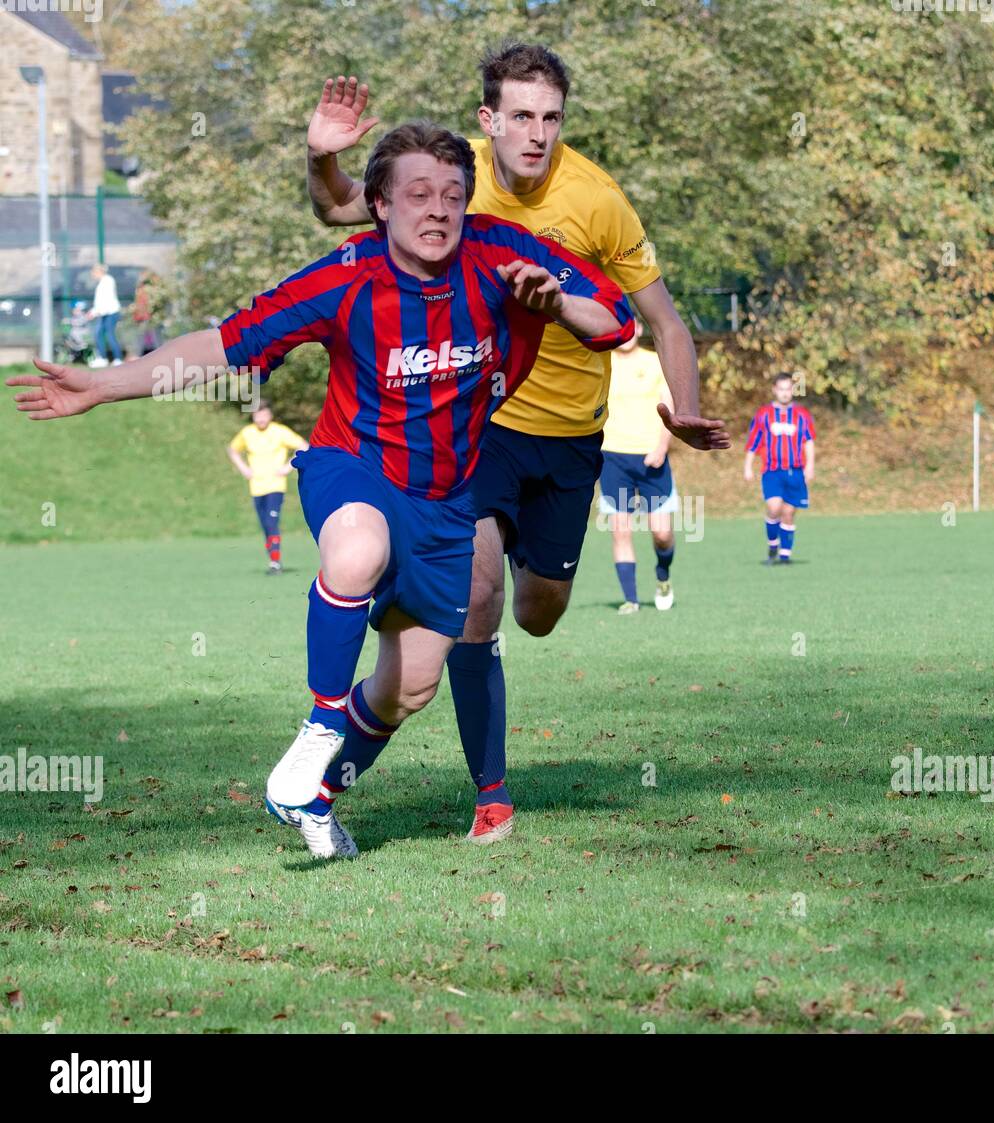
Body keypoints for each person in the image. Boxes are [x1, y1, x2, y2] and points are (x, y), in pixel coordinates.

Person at [8, 120, 634, 860]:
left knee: (410, 688)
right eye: (418, 194)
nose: (437, 210)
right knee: (358, 548)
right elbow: (224, 345)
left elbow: (615, 318)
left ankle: (312, 793)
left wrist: (553, 303)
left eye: (453, 196)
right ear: (378, 204)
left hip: (447, 501)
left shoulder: (505, 253)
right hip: (353, 466)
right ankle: (320, 723)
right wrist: (102, 385)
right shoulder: (345, 275)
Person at [304, 47, 729, 844]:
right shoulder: (448, 178)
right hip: (481, 420)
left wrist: (686, 409)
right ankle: (490, 793)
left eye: (552, 117)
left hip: (571, 435)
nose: (537, 134)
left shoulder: (598, 201)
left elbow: (662, 322)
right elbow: (337, 210)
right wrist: (321, 153)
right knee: (478, 595)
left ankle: (379, 666)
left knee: (538, 612)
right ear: (487, 120)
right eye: (522, 116)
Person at [598, 319, 677, 613]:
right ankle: (630, 599)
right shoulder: (601, 363)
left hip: (650, 457)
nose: (627, 334)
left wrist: (662, 447)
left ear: (640, 330)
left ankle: (663, 574)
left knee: (662, 533)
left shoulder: (656, 362)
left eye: (632, 327)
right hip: (613, 457)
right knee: (620, 530)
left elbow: (670, 410)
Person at [227, 404, 310, 573]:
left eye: (264, 414)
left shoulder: (279, 431)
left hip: (275, 486)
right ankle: (273, 560)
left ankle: (275, 563)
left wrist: (288, 467)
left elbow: (304, 446)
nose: (261, 418)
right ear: (253, 416)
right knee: (265, 525)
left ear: (270, 415)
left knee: (272, 523)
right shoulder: (247, 433)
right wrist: (244, 469)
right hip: (256, 486)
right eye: (257, 415)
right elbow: (232, 450)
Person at [743, 373, 816, 564]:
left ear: (793, 390)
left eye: (788, 389)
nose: (785, 393)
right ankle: (772, 544)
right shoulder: (764, 414)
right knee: (774, 508)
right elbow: (754, 441)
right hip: (772, 470)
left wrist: (810, 466)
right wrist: (748, 466)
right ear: (775, 390)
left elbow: (808, 441)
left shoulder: (802, 415)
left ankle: (785, 555)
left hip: (795, 471)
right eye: (781, 389)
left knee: (789, 513)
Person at [88, 263, 124, 367]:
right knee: (98, 334)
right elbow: (99, 302)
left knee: (109, 335)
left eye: (93, 272)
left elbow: (107, 300)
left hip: (110, 313)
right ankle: (102, 358)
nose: (92, 275)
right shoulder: (102, 282)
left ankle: (118, 359)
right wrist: (93, 311)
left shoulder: (108, 281)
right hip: (103, 313)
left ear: (99, 272)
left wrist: (95, 313)